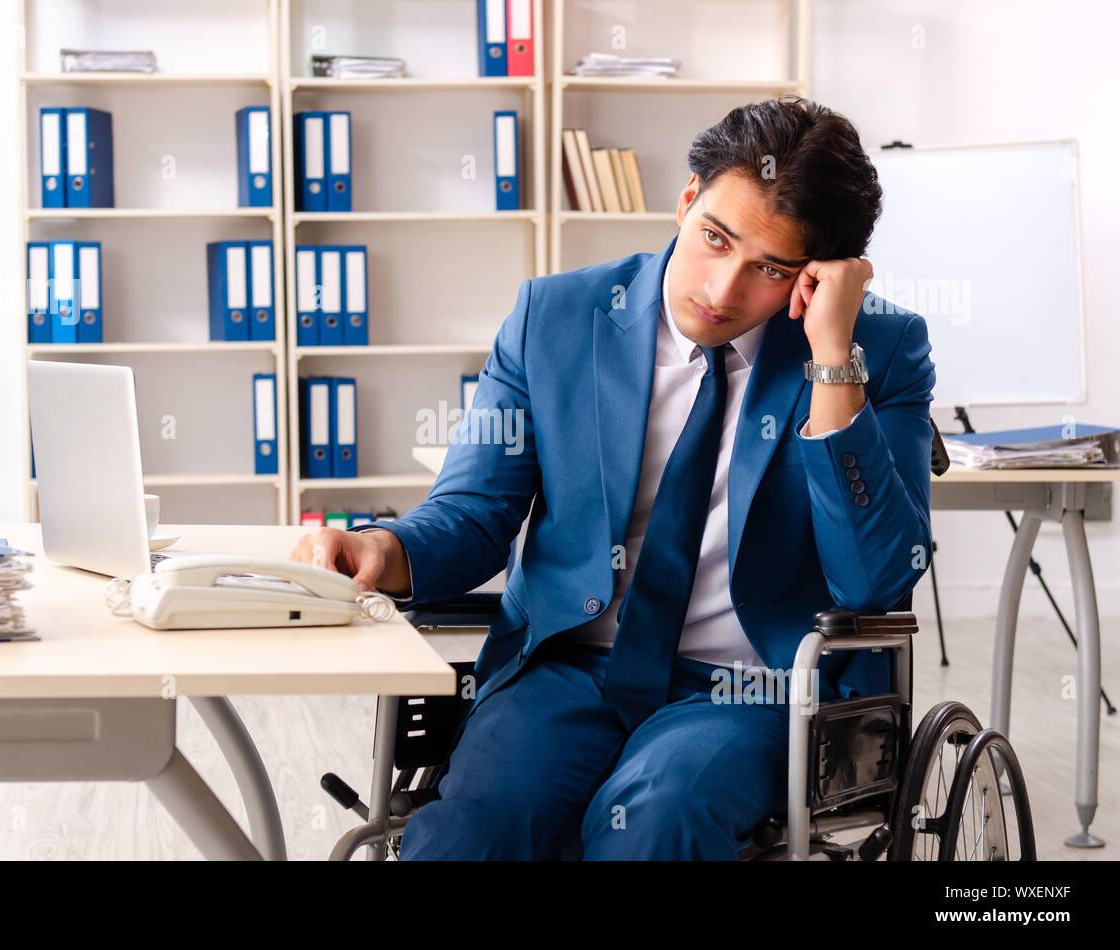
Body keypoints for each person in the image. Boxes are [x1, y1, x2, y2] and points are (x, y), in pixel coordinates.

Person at [290, 95, 936, 860]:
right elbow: (474, 510)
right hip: (570, 669)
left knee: (658, 819)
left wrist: (834, 361)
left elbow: (875, 582)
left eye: (770, 269)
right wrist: (383, 550)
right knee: (474, 833)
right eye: (715, 239)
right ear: (687, 198)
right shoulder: (556, 316)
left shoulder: (877, 351)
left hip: (750, 689)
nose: (724, 291)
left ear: (818, 277)